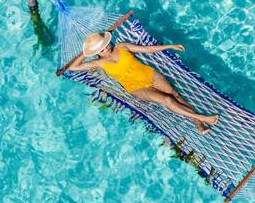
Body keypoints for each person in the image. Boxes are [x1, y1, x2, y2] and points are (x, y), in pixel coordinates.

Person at [68, 32, 218, 131]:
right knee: (166, 99)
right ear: (95, 53)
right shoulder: (98, 63)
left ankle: (198, 123)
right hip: (136, 87)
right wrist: (85, 52)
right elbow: (74, 67)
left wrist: (169, 46)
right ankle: (203, 118)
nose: (106, 49)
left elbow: (146, 49)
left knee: (175, 95)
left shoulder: (121, 47)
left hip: (149, 74)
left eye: (105, 45)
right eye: (101, 49)